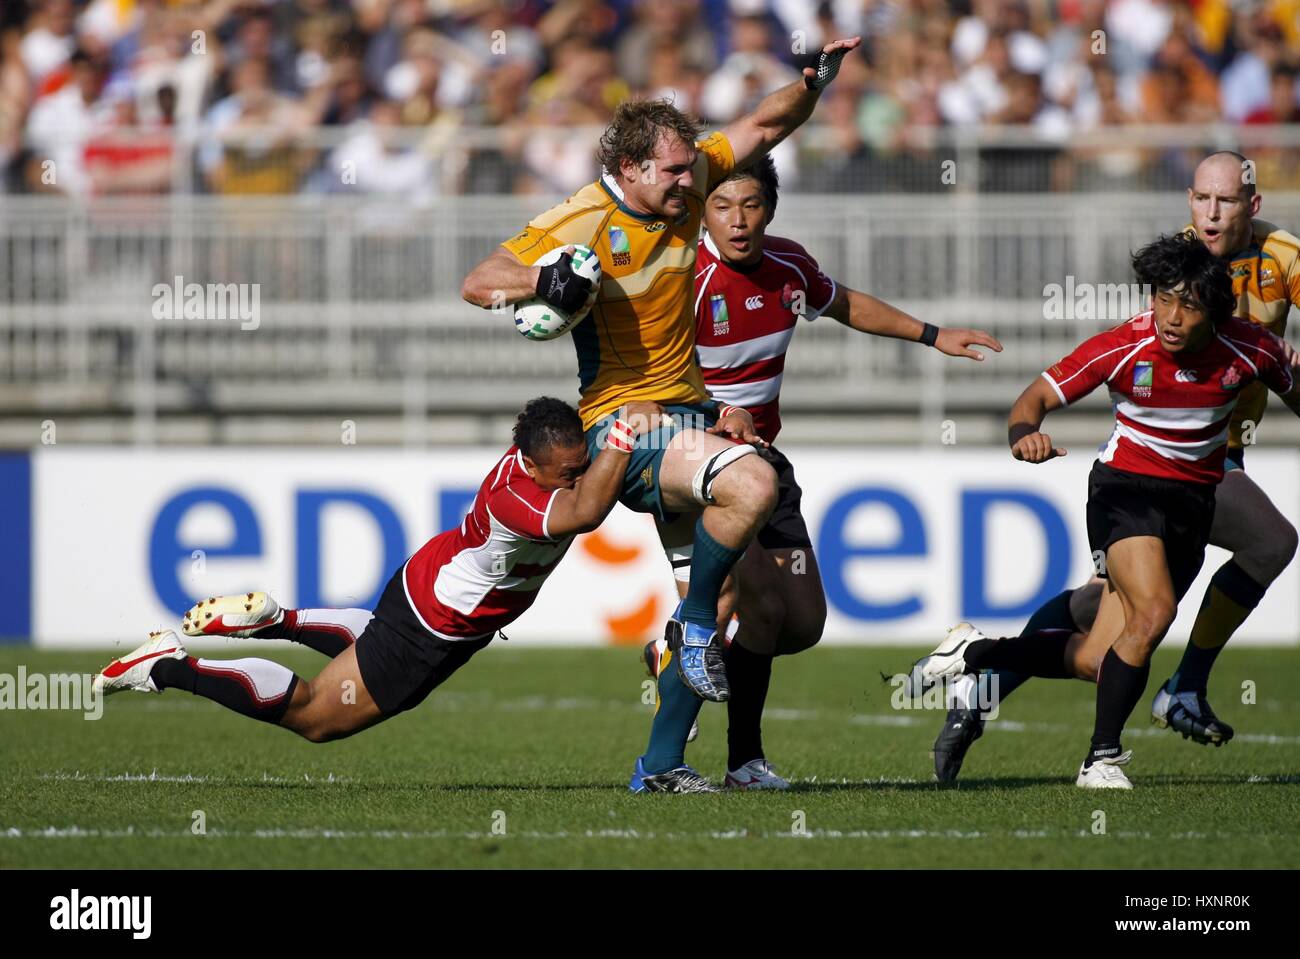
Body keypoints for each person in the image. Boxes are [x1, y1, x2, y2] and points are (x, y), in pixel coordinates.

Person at [460, 37, 864, 793]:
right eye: (676, 171)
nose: (693, 182)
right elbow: (480, 281)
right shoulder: (580, 218)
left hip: (687, 412)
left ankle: (661, 764)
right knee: (750, 484)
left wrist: (810, 83)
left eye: (690, 166)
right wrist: (543, 278)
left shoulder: (688, 177)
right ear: (628, 171)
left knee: (742, 598)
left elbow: (766, 127)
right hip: (631, 422)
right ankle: (700, 630)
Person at [931, 151, 1300, 781]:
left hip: (1208, 468)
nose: (1210, 214)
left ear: (1252, 206)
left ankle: (980, 660)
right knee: (1236, 562)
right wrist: (1025, 434)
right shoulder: (1146, 320)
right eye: (1201, 200)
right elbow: (1037, 397)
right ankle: (1128, 734)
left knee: (1101, 650)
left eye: (1227, 202)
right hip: (1138, 479)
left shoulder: (1277, 274)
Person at [643, 154, 1000, 789]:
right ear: (702, 212)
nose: (738, 220)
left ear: (770, 210)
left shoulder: (789, 267)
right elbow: (646, 386)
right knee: (737, 598)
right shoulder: (682, 280)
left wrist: (931, 334)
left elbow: (845, 305)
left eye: (750, 205)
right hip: (694, 462)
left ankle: (672, 656)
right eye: (721, 206)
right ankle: (712, 764)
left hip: (765, 465)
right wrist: (713, 411)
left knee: (799, 622)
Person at [93, 398, 667, 744]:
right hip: (434, 624)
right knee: (317, 716)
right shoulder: (514, 498)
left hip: (428, 590)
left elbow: (591, 473)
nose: (576, 476)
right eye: (565, 471)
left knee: (370, 647)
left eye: (580, 467)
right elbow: (587, 511)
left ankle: (280, 619)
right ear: (531, 462)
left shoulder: (555, 460)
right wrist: (623, 431)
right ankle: (168, 666)